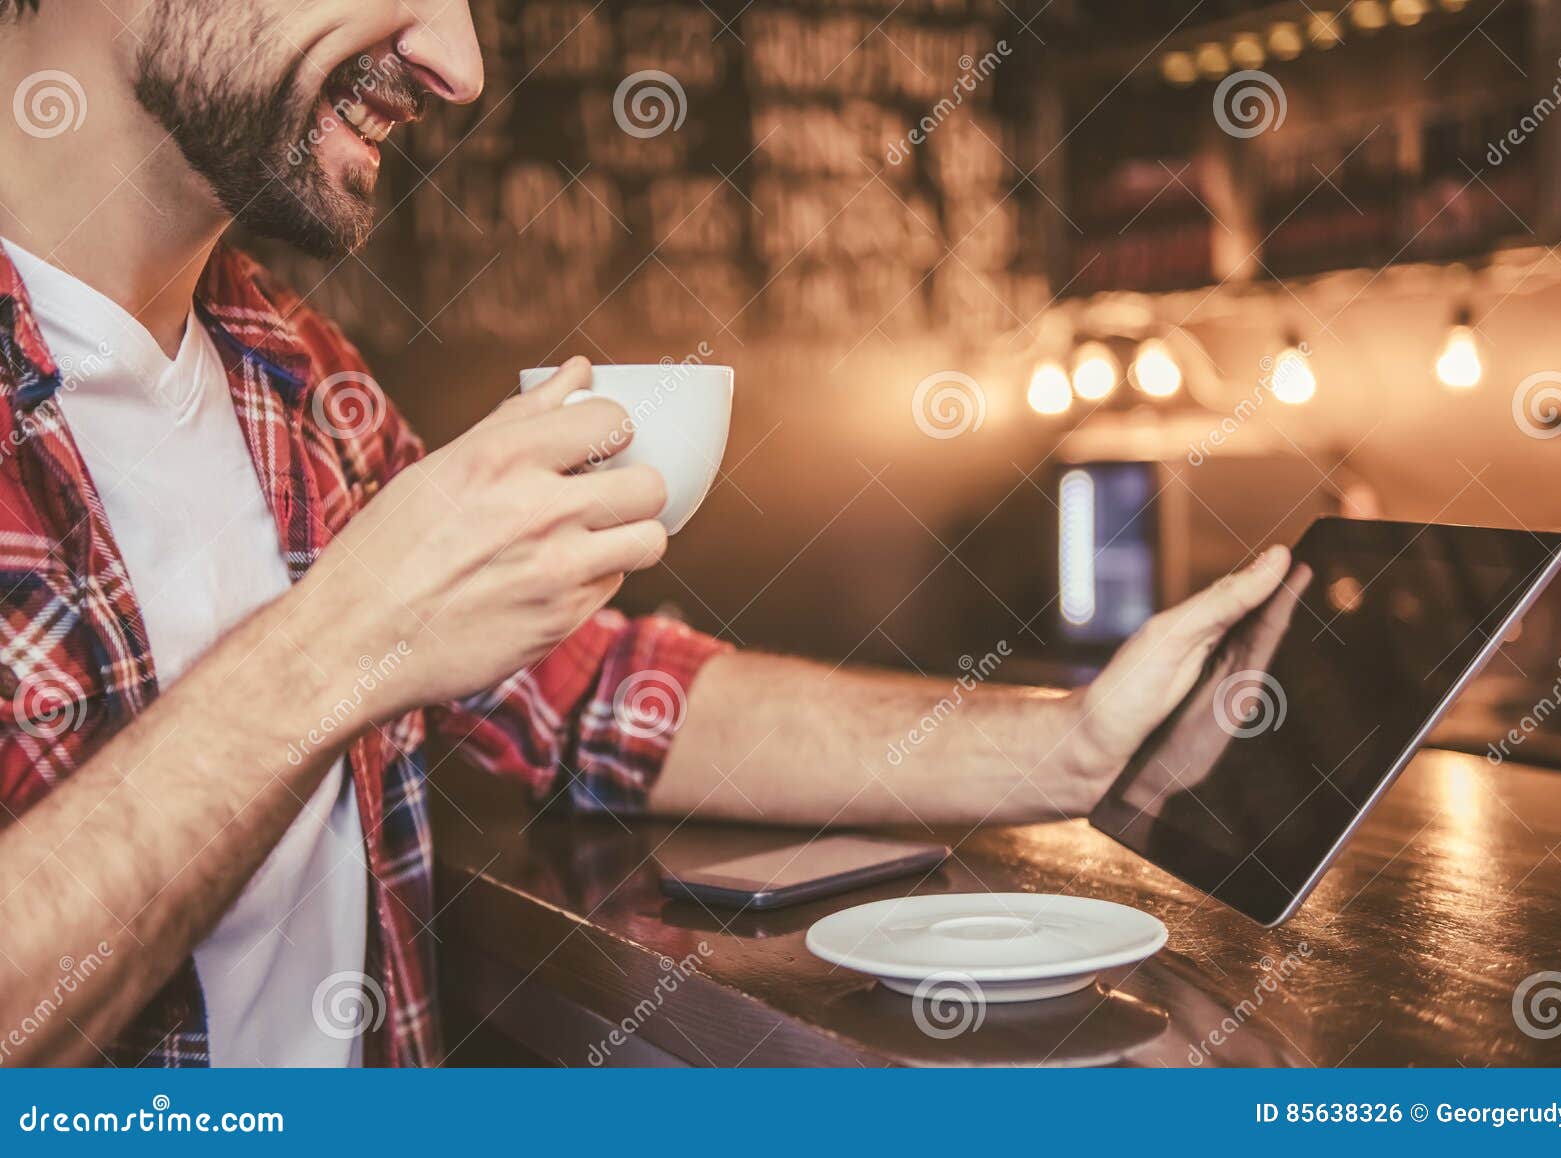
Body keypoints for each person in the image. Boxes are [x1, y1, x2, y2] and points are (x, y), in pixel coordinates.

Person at [0, 0, 1292, 1067]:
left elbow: (584, 687)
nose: (458, 64)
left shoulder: (283, 363)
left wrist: (1069, 750)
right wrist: (344, 641)